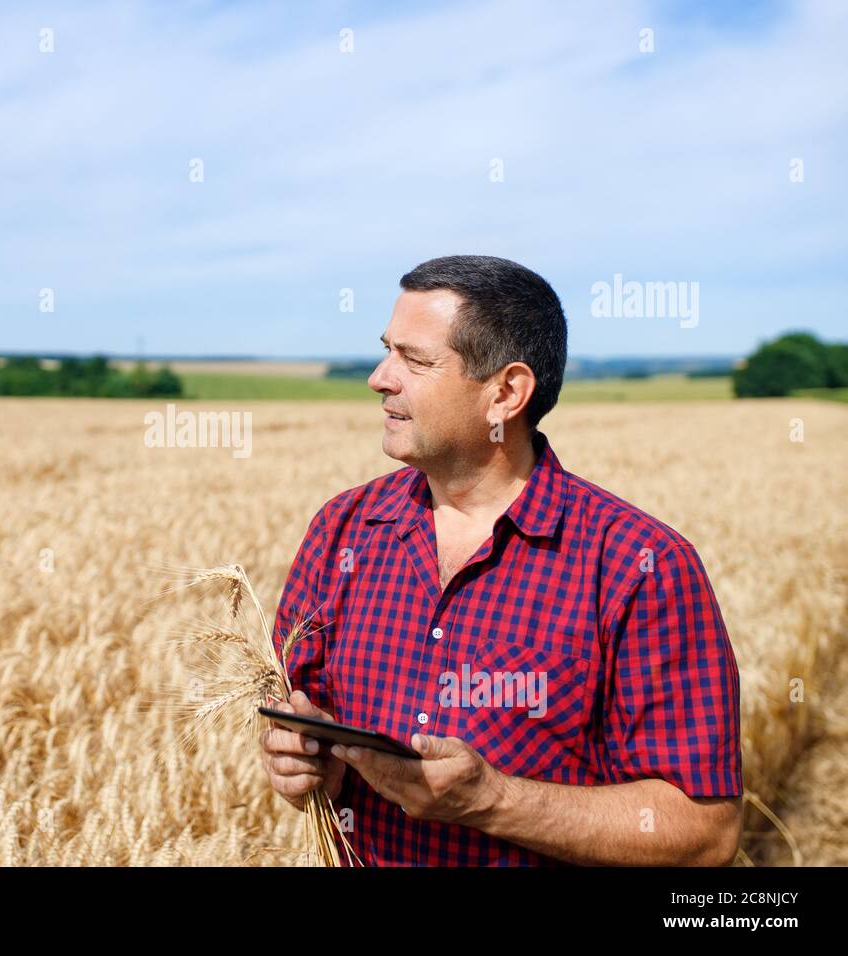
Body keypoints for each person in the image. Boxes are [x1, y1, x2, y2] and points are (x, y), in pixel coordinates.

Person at [259, 255, 743, 865]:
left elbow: (705, 834)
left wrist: (489, 799)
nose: (380, 377)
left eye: (416, 359)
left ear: (505, 394)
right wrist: (300, 766)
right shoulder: (342, 531)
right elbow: (299, 727)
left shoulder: (639, 565)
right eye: (386, 350)